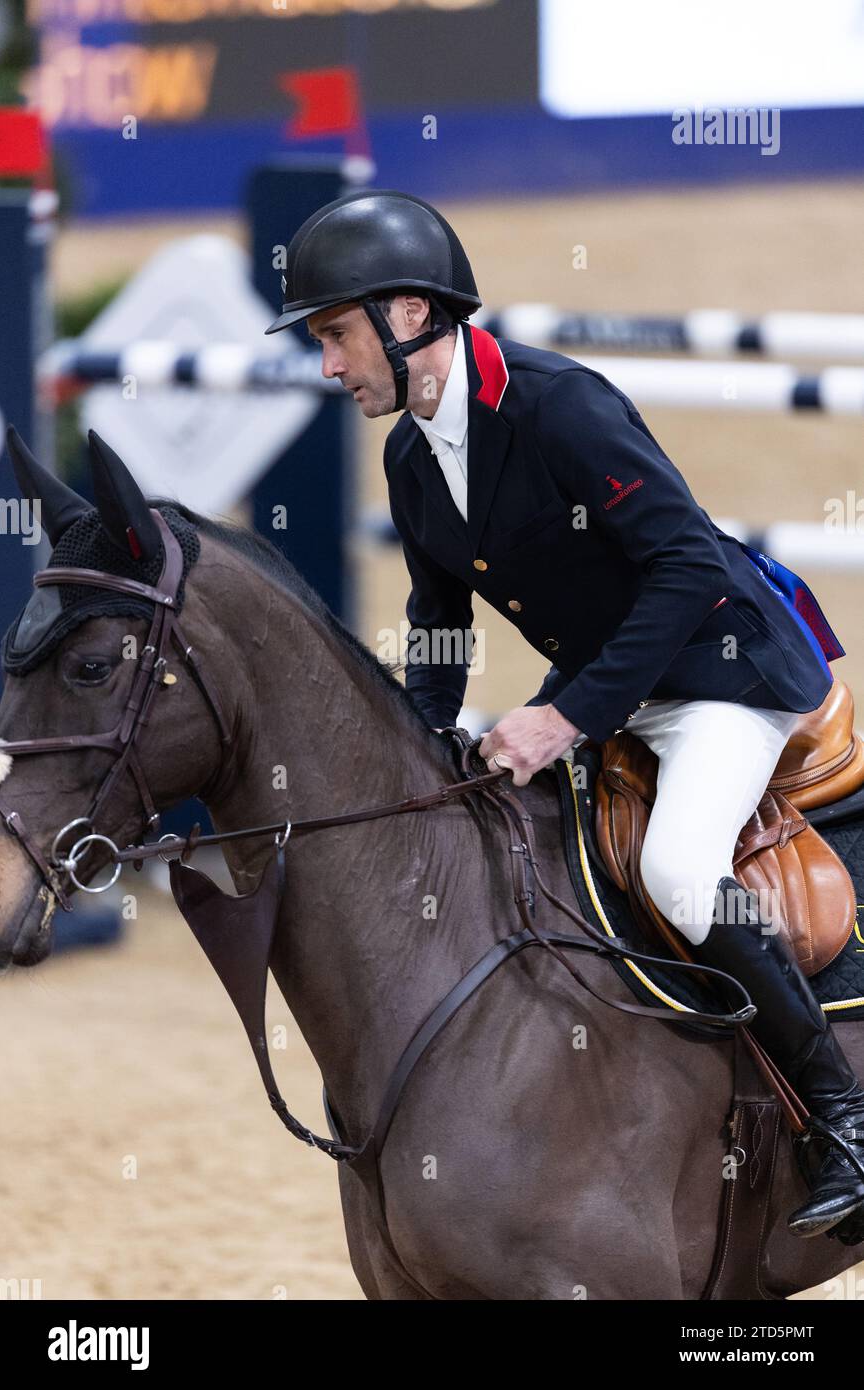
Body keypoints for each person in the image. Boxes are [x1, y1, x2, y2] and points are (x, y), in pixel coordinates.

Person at [264, 187, 864, 1240]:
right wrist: (416, 744)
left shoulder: (557, 403)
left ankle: (844, 1115)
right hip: (612, 687)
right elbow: (436, 615)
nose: (327, 364)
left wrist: (561, 718)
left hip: (721, 672)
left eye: (335, 335)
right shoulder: (413, 454)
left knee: (678, 866)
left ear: (408, 314)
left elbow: (684, 568)